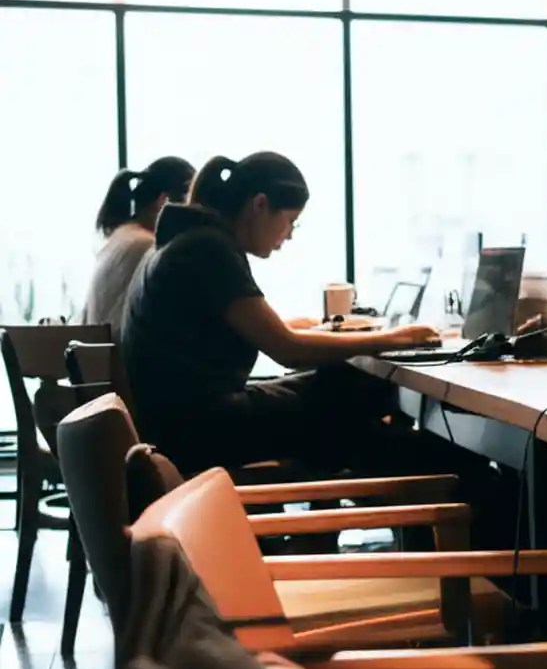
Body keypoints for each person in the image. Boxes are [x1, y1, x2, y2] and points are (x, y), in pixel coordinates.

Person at [120, 152, 455, 481]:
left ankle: (418, 485)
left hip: (184, 424)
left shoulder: (182, 241)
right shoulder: (207, 249)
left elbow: (242, 329)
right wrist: (394, 339)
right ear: (260, 205)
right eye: (290, 221)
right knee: (355, 391)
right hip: (202, 431)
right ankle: (449, 481)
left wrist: (313, 330)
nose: (290, 234)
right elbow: (288, 351)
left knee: (348, 401)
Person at [83, 157, 194, 338]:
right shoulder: (149, 247)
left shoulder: (118, 238)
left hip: (99, 362)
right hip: (124, 362)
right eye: (190, 207)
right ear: (164, 202)